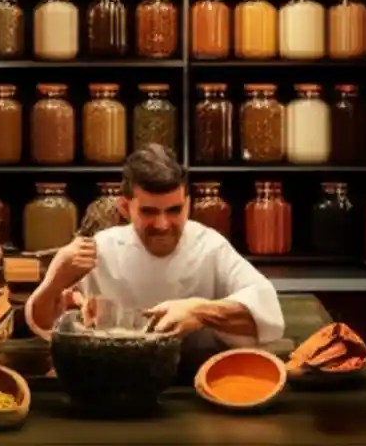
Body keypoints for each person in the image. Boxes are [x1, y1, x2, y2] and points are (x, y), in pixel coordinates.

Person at [25, 144, 285, 348]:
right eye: (149, 212)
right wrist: (55, 279)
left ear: (188, 203)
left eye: (174, 210)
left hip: (194, 385)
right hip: (113, 381)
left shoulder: (210, 247)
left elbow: (268, 314)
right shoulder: (100, 250)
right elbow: (43, 325)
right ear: (125, 208)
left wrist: (200, 311)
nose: (163, 224)